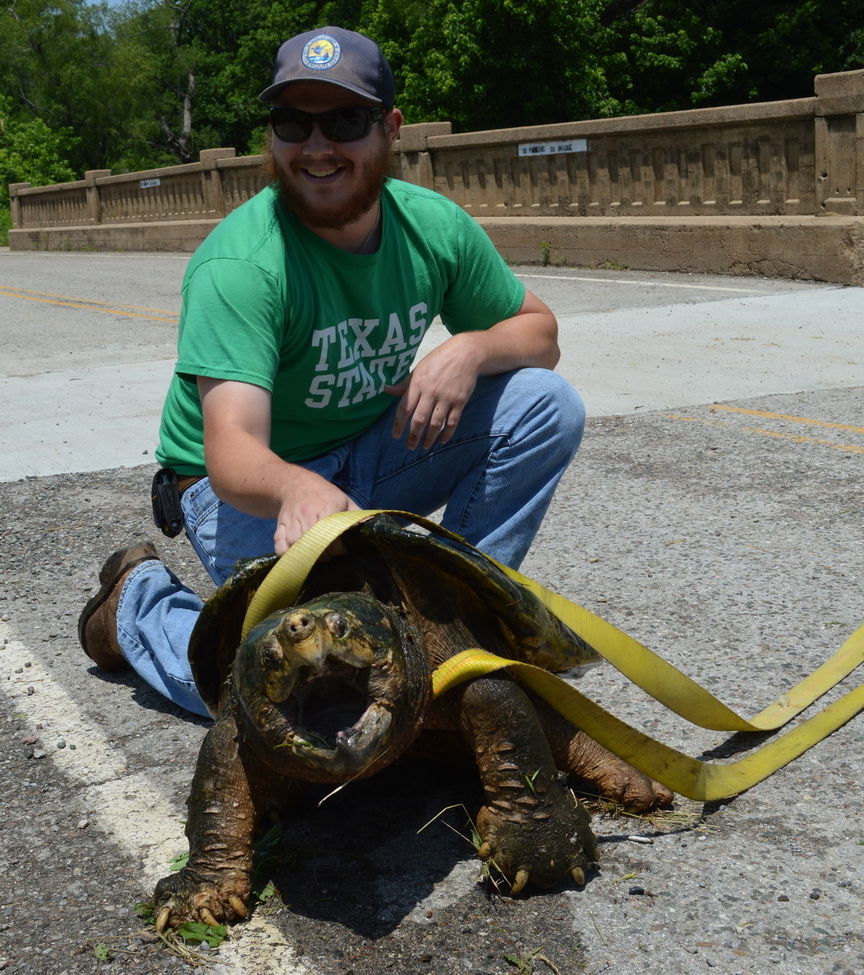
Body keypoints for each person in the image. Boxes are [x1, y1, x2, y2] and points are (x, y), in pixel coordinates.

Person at [78, 26, 586, 716]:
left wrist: (469, 350)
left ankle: (455, 624)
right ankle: (139, 604)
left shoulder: (432, 228)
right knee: (310, 698)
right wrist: (294, 489)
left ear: (391, 128)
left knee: (543, 403)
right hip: (245, 489)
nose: (317, 147)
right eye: (293, 122)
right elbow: (230, 452)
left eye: (345, 121)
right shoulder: (242, 266)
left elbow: (541, 334)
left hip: (370, 448)